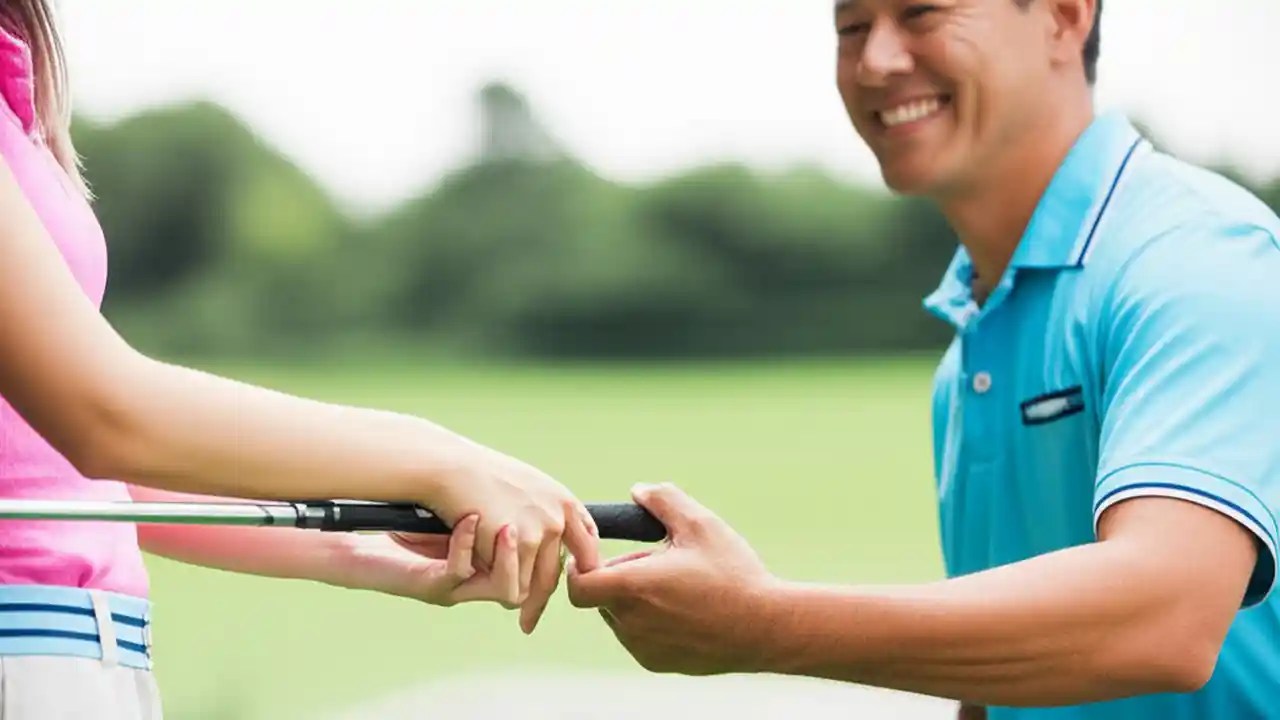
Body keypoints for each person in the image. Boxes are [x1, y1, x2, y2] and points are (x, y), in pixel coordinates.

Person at [568, 1, 1280, 718]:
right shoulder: (969, 351)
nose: (875, 60)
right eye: (851, 28)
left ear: (1064, 17)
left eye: (922, 12)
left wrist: (763, 623)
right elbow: (997, 685)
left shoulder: (1201, 258)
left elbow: (1168, 621)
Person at [0, 1, 600, 717]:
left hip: (82, 652)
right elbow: (102, 419)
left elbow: (68, 470)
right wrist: (438, 458)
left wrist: (360, 544)